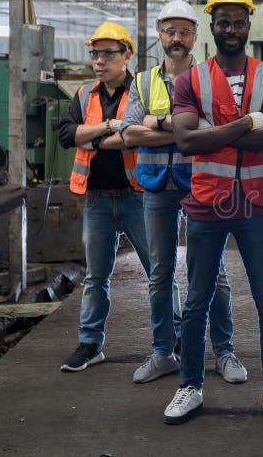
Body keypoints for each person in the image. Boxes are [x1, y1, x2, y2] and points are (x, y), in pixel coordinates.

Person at [163, 0, 263, 425]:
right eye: (223, 21)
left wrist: (214, 134)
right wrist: (247, 123)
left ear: (248, 23)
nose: (231, 29)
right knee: (198, 298)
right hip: (207, 204)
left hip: (258, 203)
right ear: (212, 25)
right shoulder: (192, 79)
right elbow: (185, 142)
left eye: (238, 21)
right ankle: (189, 387)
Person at [120, 0, 246, 385]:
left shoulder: (211, 79)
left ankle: (224, 351)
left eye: (185, 31)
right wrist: (176, 126)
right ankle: (163, 351)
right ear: (159, 34)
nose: (177, 38)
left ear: (196, 36)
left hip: (201, 182)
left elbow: (211, 129)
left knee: (214, 271)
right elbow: (127, 132)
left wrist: (154, 124)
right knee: (160, 272)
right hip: (156, 188)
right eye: (170, 31)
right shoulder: (141, 80)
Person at [58, 22, 151, 372]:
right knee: (96, 277)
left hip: (137, 197)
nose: (99, 60)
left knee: (159, 272)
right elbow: (67, 134)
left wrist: (91, 135)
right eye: (95, 53)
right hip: (96, 199)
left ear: (127, 55)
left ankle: (170, 343)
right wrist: (111, 127)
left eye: (108, 53)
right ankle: (90, 344)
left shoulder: (141, 90)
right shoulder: (84, 95)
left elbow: (140, 134)